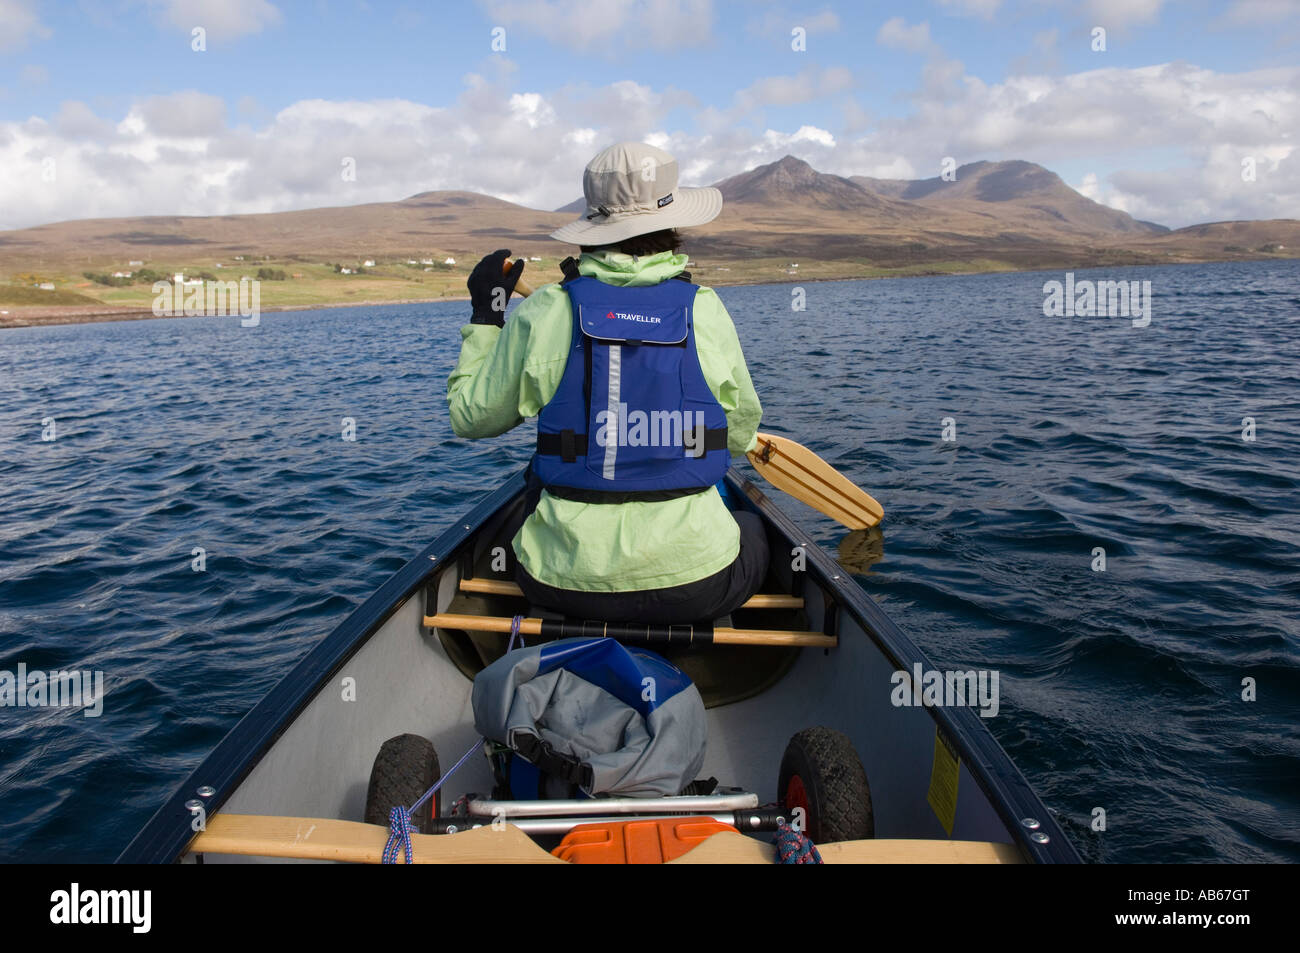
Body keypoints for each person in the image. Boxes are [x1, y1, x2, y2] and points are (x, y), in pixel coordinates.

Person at [447, 141, 766, 624]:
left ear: (592, 228)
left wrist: (486, 316)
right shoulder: (705, 308)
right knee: (751, 527)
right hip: (696, 584)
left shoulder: (546, 308)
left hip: (560, 583)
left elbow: (469, 417)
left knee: (529, 497)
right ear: (671, 225)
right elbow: (740, 436)